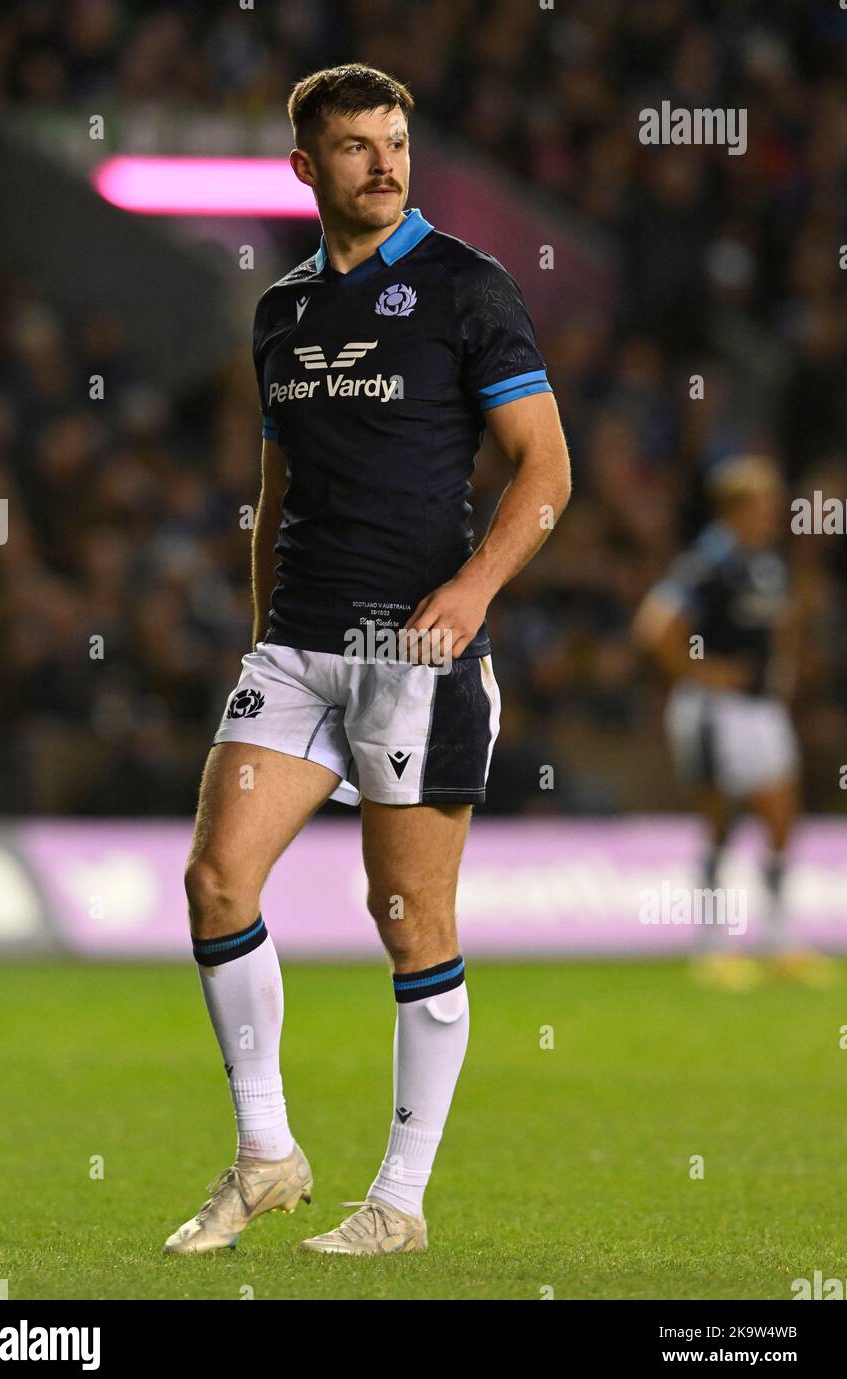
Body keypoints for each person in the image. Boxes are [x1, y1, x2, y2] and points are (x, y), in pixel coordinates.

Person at [163, 63, 571, 1256]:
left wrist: (469, 589)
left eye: (395, 141)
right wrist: (259, 623)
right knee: (214, 881)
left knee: (407, 916)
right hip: (297, 647)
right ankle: (266, 1153)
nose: (384, 162)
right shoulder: (280, 311)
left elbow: (545, 471)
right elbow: (274, 487)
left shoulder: (466, 288)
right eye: (355, 146)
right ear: (306, 166)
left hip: (415, 650)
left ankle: (397, 1199)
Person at [634, 455, 836, 989]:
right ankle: (712, 944)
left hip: (761, 708)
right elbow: (655, 628)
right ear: (738, 506)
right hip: (717, 711)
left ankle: (776, 939)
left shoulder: (764, 564)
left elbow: (783, 626)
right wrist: (702, 671)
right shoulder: (710, 562)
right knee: (721, 823)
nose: (773, 511)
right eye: (765, 502)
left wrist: (785, 672)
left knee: (781, 820)